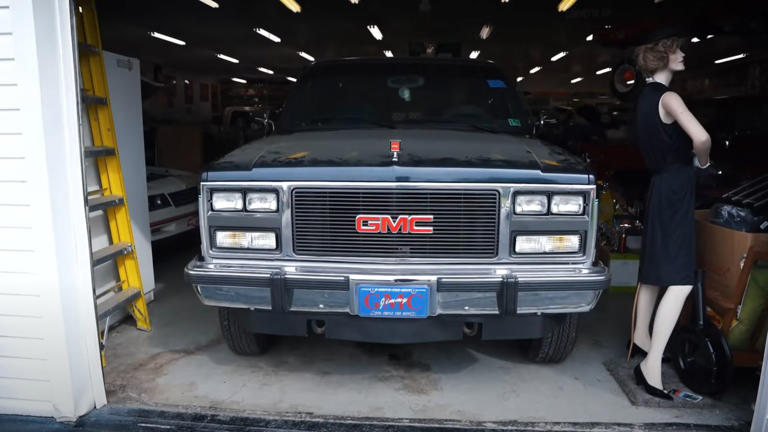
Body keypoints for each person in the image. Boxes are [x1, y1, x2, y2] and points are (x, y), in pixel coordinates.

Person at [629, 35, 712, 400]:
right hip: (676, 186)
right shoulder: (669, 98)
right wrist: (703, 163)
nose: (683, 54)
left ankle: (641, 338)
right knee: (680, 281)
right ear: (663, 57)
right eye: (677, 50)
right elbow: (702, 138)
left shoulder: (644, 99)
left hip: (659, 186)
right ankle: (651, 366)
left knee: (653, 271)